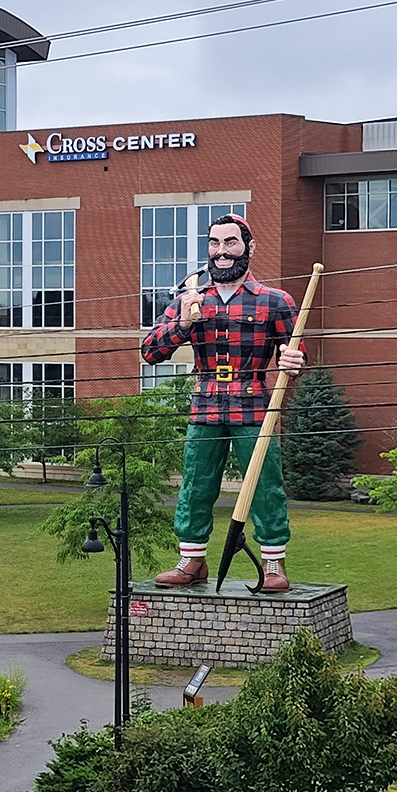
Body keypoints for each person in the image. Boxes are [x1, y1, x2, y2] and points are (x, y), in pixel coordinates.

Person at [141, 213, 304, 592]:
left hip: (254, 404)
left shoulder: (275, 301)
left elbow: (294, 352)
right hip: (206, 401)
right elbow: (150, 351)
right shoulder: (190, 299)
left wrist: (294, 362)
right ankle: (191, 561)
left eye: (230, 242)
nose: (221, 252)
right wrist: (182, 324)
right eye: (214, 243)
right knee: (197, 484)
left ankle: (274, 564)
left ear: (249, 247)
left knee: (265, 484)